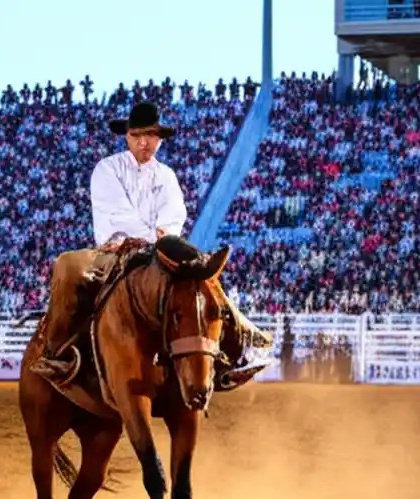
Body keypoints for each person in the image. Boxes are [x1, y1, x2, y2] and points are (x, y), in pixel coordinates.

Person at [30, 101, 270, 390]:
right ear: (127, 136)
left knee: (204, 274)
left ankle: (240, 345)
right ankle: (57, 352)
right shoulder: (106, 169)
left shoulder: (166, 176)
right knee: (68, 267)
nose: (143, 142)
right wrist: (154, 234)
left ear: (159, 138)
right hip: (114, 250)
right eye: (136, 135)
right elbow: (116, 215)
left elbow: (174, 215)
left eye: (149, 135)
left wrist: (162, 235)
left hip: (161, 248)